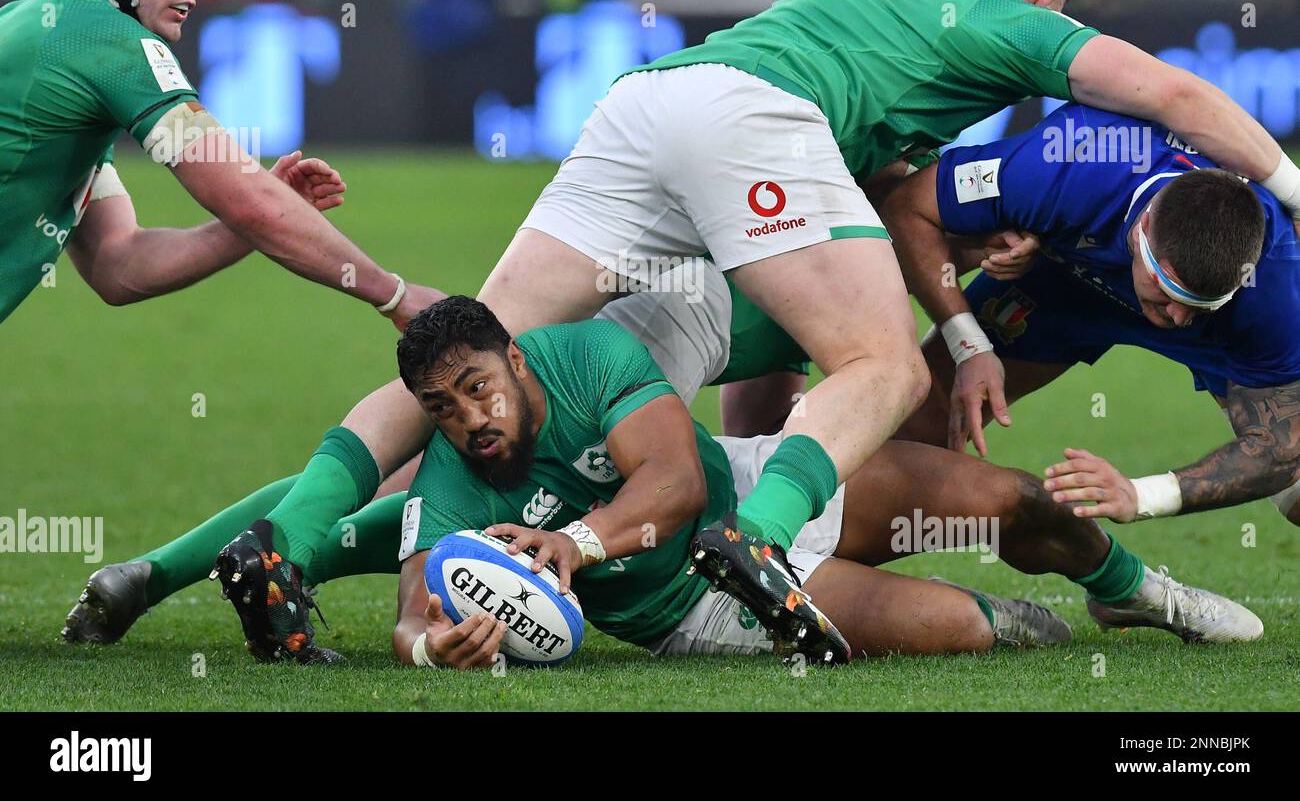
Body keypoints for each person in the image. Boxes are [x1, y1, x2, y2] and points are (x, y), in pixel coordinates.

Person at [257, 0, 1300, 657]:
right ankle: (752, 541)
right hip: (746, 121)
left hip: (647, 107)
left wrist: (973, 311)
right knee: (881, 365)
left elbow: (894, 182)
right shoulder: (1009, 22)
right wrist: (1290, 182)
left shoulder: (889, 2)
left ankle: (285, 542)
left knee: (473, 351)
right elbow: (1171, 91)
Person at [66, 298, 1261, 664]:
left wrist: (576, 545)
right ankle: (1030, 619)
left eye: (480, 389)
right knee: (968, 629)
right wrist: (440, 646)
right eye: (444, 409)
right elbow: (416, 602)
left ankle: (1137, 588)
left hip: (753, 495)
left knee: (1013, 502)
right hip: (706, 604)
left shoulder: (590, 355)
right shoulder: (450, 472)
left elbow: (680, 479)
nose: (472, 420)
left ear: (517, 361)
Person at [0, 0, 438, 326]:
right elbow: (246, 200)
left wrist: (253, 223)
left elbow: (117, 263)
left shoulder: (38, 21)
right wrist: (396, 296)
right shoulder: (107, 41)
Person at [877, 101, 1300, 529]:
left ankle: (1144, 591)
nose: (1177, 314)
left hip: (1218, 333)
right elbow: (908, 208)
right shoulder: (1068, 162)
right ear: (1142, 228)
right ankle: (821, 563)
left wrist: (1142, 495)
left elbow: (1281, 447)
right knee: (920, 419)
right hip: (1066, 278)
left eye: (1199, 302)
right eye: (1166, 287)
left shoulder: (1273, 276)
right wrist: (968, 343)